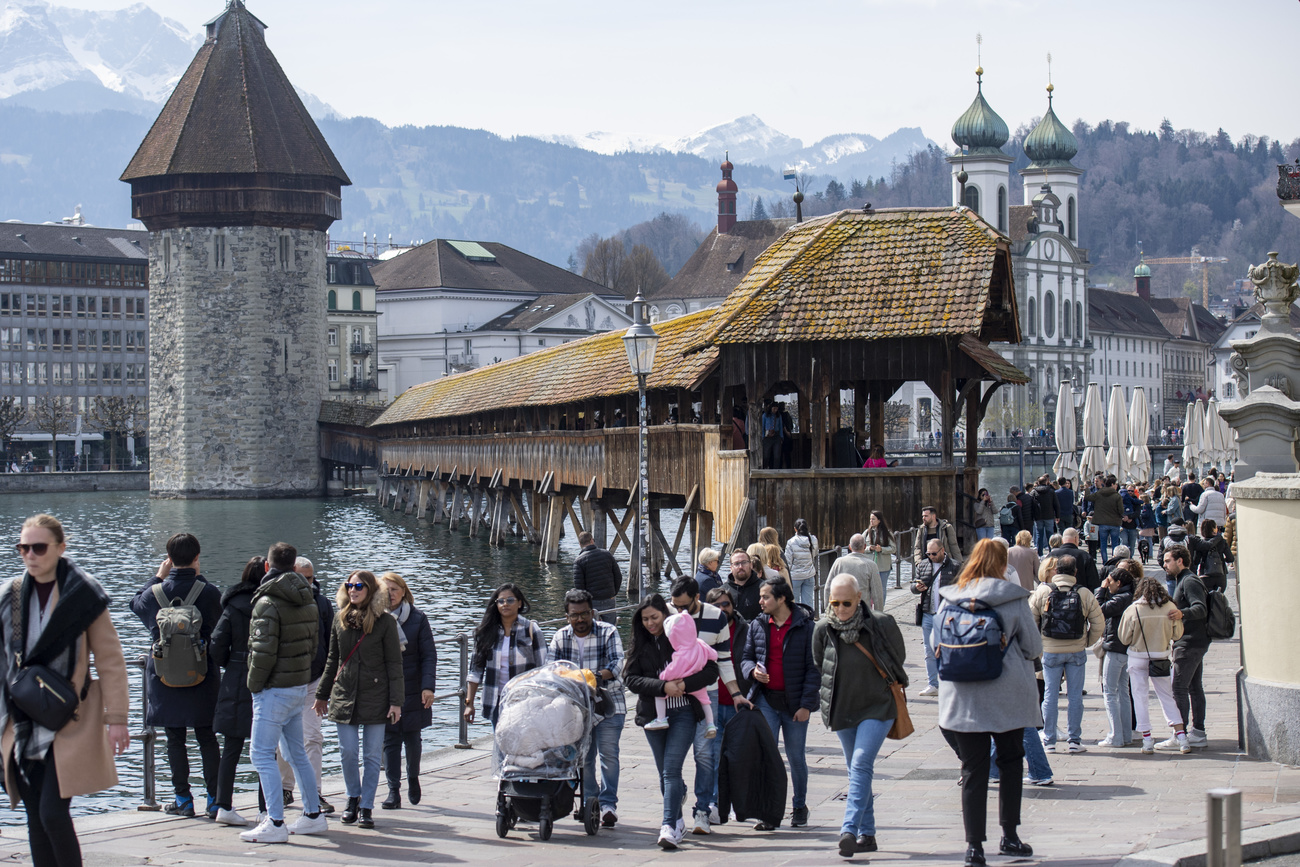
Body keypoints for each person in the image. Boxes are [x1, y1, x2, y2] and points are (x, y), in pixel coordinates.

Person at [1, 514, 130, 867]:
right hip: (21, 717)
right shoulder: (8, 596)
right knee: (35, 817)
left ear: (60, 547)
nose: (30, 555)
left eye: (39, 547)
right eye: (23, 547)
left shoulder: (83, 595)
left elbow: (110, 659)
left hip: (70, 717)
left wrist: (117, 719)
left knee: (53, 814)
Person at [936, 539, 1039, 867]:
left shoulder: (948, 598)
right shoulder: (1012, 598)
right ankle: (1010, 836)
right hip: (1006, 694)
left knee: (973, 770)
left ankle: (973, 848)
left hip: (962, 697)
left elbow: (934, 643)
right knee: (1010, 763)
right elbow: (1034, 647)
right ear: (1001, 564)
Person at [130, 532, 222, 818]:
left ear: (169, 559)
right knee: (207, 738)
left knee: (174, 739)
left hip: (164, 676)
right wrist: (201, 579)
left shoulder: (154, 593)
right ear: (197, 557)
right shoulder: (208, 592)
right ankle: (215, 800)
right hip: (202, 674)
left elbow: (134, 604)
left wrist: (157, 578)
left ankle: (183, 800)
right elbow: (220, 623)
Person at [814, 574, 907, 858]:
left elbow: (897, 656)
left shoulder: (881, 623)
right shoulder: (823, 628)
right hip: (843, 708)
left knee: (861, 762)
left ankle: (849, 829)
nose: (840, 609)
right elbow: (820, 664)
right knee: (857, 771)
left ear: (859, 599)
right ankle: (868, 834)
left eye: (846, 603)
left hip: (878, 707)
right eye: (835, 603)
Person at [242, 542, 326, 844]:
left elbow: (262, 652)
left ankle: (275, 821)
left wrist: (254, 685)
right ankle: (313, 815)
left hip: (273, 689)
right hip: (298, 687)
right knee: (296, 753)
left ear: (267, 566)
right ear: (293, 568)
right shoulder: (308, 600)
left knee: (261, 754)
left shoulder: (267, 601)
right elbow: (313, 646)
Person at [624, 595, 719, 850]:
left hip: (684, 713)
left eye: (654, 617)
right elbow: (630, 679)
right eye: (644, 619)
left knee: (670, 769)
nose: (650, 623)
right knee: (663, 772)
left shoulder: (682, 637)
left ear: (665, 616)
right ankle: (677, 820)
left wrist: (685, 686)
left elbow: (711, 670)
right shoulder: (640, 644)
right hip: (653, 715)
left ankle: (667, 825)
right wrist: (663, 686)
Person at [313, 569, 403, 830]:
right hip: (345, 694)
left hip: (377, 696)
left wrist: (396, 701)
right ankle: (353, 797)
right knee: (348, 752)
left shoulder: (385, 622)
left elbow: (394, 663)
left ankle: (367, 806)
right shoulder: (340, 618)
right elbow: (333, 659)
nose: (353, 590)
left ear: (371, 590)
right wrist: (321, 694)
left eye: (359, 586)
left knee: (373, 756)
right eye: (349, 585)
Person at [667, 575, 750, 834]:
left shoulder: (716, 617)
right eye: (675, 605)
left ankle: (702, 809)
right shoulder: (667, 613)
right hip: (674, 694)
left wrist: (736, 693)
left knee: (704, 753)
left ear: (697, 598)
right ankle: (677, 793)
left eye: (684, 606)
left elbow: (724, 659)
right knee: (673, 756)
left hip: (707, 693)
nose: (679, 611)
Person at [742, 578, 819, 830]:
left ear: (782, 598)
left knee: (796, 757)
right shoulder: (757, 624)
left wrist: (806, 705)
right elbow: (746, 658)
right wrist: (752, 671)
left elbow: (814, 669)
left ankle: (799, 806)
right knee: (768, 756)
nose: (760, 601)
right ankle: (769, 811)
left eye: (765, 597)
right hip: (766, 699)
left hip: (795, 703)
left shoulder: (806, 627)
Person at [548, 589, 625, 828]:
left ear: (592, 612)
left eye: (584, 614)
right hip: (575, 708)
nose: (580, 619)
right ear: (567, 616)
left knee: (609, 755)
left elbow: (617, 664)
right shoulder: (560, 637)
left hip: (609, 703)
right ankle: (590, 801)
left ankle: (609, 803)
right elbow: (552, 669)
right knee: (585, 757)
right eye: (574, 615)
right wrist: (576, 680)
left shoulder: (608, 631)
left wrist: (592, 678)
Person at [277, 556, 335, 815]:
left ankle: (314, 793)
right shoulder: (279, 602)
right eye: (301, 577)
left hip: (313, 679)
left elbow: (332, 641)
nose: (306, 582)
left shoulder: (322, 603)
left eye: (310, 577)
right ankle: (283, 788)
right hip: (285, 681)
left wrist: (329, 677)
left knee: (311, 737)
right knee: (283, 739)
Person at [209, 556, 264, 826]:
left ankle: (223, 805)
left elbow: (217, 644)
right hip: (265, 677)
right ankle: (266, 807)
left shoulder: (232, 606)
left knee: (231, 746)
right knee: (267, 746)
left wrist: (229, 664)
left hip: (235, 675)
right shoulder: (269, 604)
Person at [1029, 555, 1103, 753]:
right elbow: (1099, 624)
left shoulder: (1043, 591)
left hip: (1050, 651)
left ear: (1057, 571)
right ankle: (1074, 741)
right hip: (1076, 650)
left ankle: (1050, 740)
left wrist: (1040, 643)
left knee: (1050, 695)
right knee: (1075, 697)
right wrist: (1086, 641)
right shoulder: (1084, 593)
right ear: (1075, 572)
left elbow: (1029, 620)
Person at [378, 573, 436, 811]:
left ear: (403, 591)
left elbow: (429, 655)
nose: (390, 594)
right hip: (384, 689)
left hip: (412, 686)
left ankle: (413, 777)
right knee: (389, 740)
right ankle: (393, 790)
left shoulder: (418, 618)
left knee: (412, 737)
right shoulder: (376, 618)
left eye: (394, 589)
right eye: (386, 589)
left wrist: (428, 686)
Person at [1118, 574, 1187, 754]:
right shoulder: (1170, 607)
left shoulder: (1133, 610)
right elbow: (1177, 634)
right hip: (1161, 656)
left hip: (1138, 656)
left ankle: (1147, 739)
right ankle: (1182, 736)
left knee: (1140, 697)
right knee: (1167, 696)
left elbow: (1124, 637)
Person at [464, 584, 546, 728]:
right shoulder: (485, 632)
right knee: (501, 744)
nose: (505, 604)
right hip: (496, 700)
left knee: (524, 745)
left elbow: (544, 668)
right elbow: (475, 671)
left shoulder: (531, 629)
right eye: (501, 601)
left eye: (510, 600)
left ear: (519, 603)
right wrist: (469, 703)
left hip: (525, 699)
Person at [702, 585, 749, 816]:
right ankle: (714, 802)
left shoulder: (745, 630)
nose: (722, 609)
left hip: (736, 703)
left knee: (738, 757)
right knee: (712, 757)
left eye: (726, 604)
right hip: (711, 703)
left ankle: (736, 802)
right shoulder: (701, 631)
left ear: (733, 606)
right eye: (716, 605)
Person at [1163, 545, 1209, 751]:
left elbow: (1200, 608)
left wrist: (1182, 614)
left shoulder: (1189, 581)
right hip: (1194, 641)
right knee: (1193, 687)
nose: (1164, 565)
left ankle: (1180, 734)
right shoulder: (1184, 579)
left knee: (1179, 688)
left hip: (1189, 642)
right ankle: (1198, 732)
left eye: (1167, 561)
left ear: (1179, 560)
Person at [648, 614, 717, 735]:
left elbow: (673, 670)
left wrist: (663, 679)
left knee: (659, 695)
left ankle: (661, 718)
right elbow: (713, 655)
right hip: (697, 682)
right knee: (705, 701)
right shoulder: (699, 643)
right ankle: (710, 724)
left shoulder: (681, 654)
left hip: (680, 680)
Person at [911, 538, 961, 695]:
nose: (931, 556)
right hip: (928, 613)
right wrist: (917, 587)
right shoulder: (924, 565)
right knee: (929, 650)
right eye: (928, 553)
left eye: (933, 553)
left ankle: (949, 682)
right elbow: (913, 585)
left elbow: (963, 588)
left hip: (947, 614)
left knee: (948, 649)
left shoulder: (955, 566)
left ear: (942, 550)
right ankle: (933, 684)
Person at [1095, 560, 1136, 748]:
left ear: (1118, 583)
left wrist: (1101, 591)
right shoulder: (1128, 595)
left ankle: (1115, 736)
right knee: (1123, 692)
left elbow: (1098, 611)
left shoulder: (1121, 598)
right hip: (1126, 649)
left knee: (1110, 692)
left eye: (1109, 581)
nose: (1107, 583)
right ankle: (1126, 735)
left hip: (1116, 648)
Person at [824, 535, 885, 612]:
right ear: (865, 546)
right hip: (863, 612)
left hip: (841, 610)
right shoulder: (871, 565)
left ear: (849, 547)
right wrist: (878, 615)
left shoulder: (839, 562)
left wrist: (828, 610)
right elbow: (877, 594)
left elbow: (828, 588)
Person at [573, 531, 622, 625]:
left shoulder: (578, 561)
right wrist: (613, 593)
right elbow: (618, 576)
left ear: (580, 544)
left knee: (593, 630)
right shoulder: (607, 554)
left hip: (592, 601)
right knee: (610, 628)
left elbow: (579, 587)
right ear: (592, 540)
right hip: (609, 598)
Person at [1084, 475, 1124, 563]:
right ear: (1112, 484)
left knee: (1103, 544)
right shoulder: (1117, 496)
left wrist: (1087, 488)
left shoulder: (1099, 493)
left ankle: (1105, 562)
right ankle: (1115, 562)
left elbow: (1087, 498)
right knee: (1115, 544)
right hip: (1114, 523)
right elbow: (1121, 510)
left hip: (1102, 523)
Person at [1047, 527, 1099, 592]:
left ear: (1062, 540)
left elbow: (1044, 577)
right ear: (1076, 539)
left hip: (1054, 595)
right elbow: (1094, 583)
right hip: (1080, 596)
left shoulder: (1051, 556)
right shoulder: (1085, 556)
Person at [784, 519, 819, 609]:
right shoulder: (813, 539)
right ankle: (808, 620)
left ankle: (797, 621)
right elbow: (814, 555)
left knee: (794, 603)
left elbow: (788, 562)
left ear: (795, 529)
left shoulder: (791, 542)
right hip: (809, 574)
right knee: (808, 603)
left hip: (795, 576)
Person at [1188, 520, 1232, 593]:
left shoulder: (1201, 543)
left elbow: (1196, 561)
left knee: (1207, 599)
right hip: (1220, 574)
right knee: (1219, 600)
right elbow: (1230, 558)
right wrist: (1222, 560)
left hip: (1205, 574)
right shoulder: (1222, 542)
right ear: (1214, 529)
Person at [725, 550, 762, 621]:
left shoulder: (764, 588)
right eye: (736, 564)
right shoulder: (724, 591)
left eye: (744, 562)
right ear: (731, 568)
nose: (740, 567)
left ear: (751, 565)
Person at [864, 510, 897, 591]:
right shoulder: (867, 533)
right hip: (869, 566)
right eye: (870, 519)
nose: (871, 521)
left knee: (881, 589)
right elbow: (861, 548)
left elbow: (893, 549)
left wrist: (881, 549)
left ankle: (881, 604)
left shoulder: (887, 533)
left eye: (873, 519)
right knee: (869, 589)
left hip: (883, 567)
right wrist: (869, 548)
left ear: (879, 520)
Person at [762, 403, 784, 469]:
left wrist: (781, 437)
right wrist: (763, 436)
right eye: (774, 408)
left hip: (776, 436)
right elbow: (762, 426)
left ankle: (776, 469)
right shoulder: (765, 415)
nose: (775, 410)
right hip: (767, 436)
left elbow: (780, 427)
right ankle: (765, 467)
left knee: (777, 455)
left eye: (776, 409)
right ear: (771, 408)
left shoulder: (778, 416)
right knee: (766, 455)